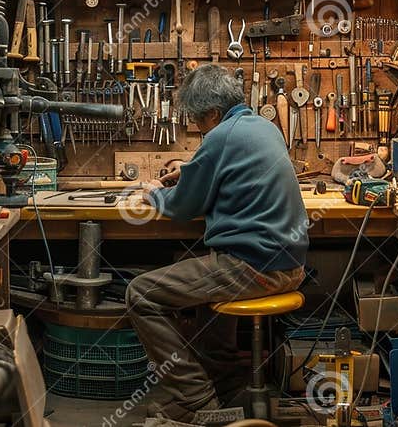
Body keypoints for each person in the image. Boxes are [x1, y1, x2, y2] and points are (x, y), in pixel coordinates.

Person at [125, 63, 308, 422]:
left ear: (211, 113)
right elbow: (226, 169)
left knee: (141, 294)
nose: (199, 128)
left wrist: (154, 193)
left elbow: (183, 207)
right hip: (287, 264)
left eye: (198, 121)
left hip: (256, 267)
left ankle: (195, 398)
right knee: (206, 297)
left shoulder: (220, 137)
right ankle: (227, 389)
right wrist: (192, 170)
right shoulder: (264, 127)